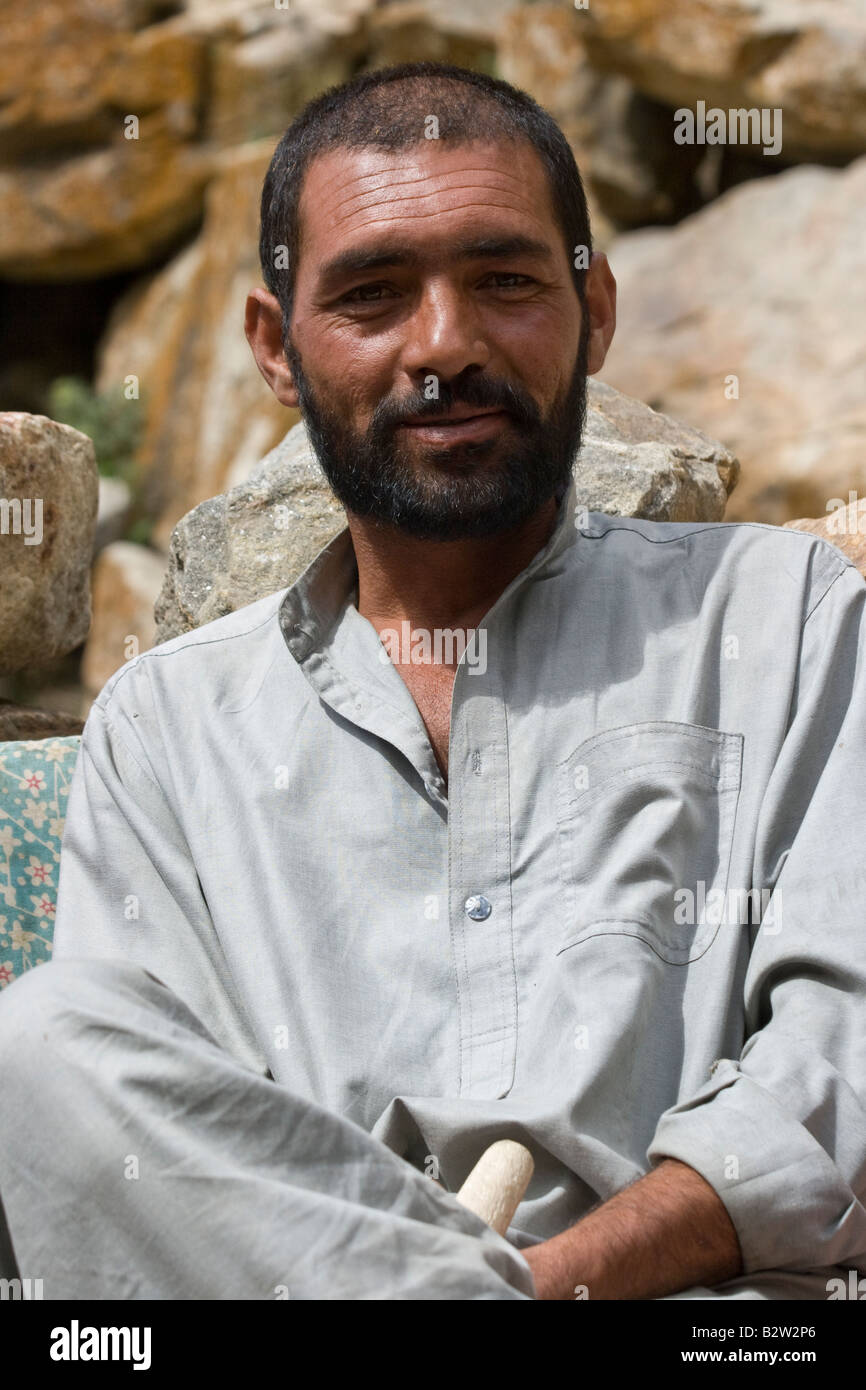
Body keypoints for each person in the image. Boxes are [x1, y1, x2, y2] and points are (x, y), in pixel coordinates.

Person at [1, 61, 864, 1302]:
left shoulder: (782, 616)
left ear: (595, 310)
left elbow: (839, 1067)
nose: (444, 344)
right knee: (41, 1040)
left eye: (504, 280)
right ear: (275, 348)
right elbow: (175, 1180)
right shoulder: (170, 729)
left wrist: (555, 1282)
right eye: (372, 294)